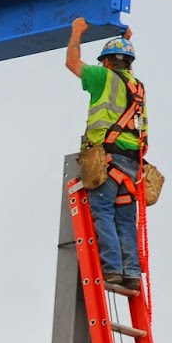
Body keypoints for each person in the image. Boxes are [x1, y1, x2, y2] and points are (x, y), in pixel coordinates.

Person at [65, 17, 148, 290]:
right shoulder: (137, 86)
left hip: (108, 160)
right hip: (132, 165)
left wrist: (77, 32)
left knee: (103, 212)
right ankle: (131, 272)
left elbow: (72, 63)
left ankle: (111, 267)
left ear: (108, 62)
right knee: (125, 219)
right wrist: (124, 41)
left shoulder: (103, 78)